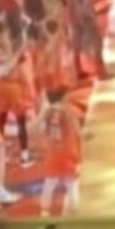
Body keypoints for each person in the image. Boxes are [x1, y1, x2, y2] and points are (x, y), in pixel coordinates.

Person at [40, 87, 82, 216]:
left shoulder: (47, 112)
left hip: (53, 153)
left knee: (49, 183)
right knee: (71, 183)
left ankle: (45, 210)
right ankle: (74, 210)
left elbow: (40, 130)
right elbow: (77, 130)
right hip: (68, 151)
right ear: (63, 97)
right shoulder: (69, 111)